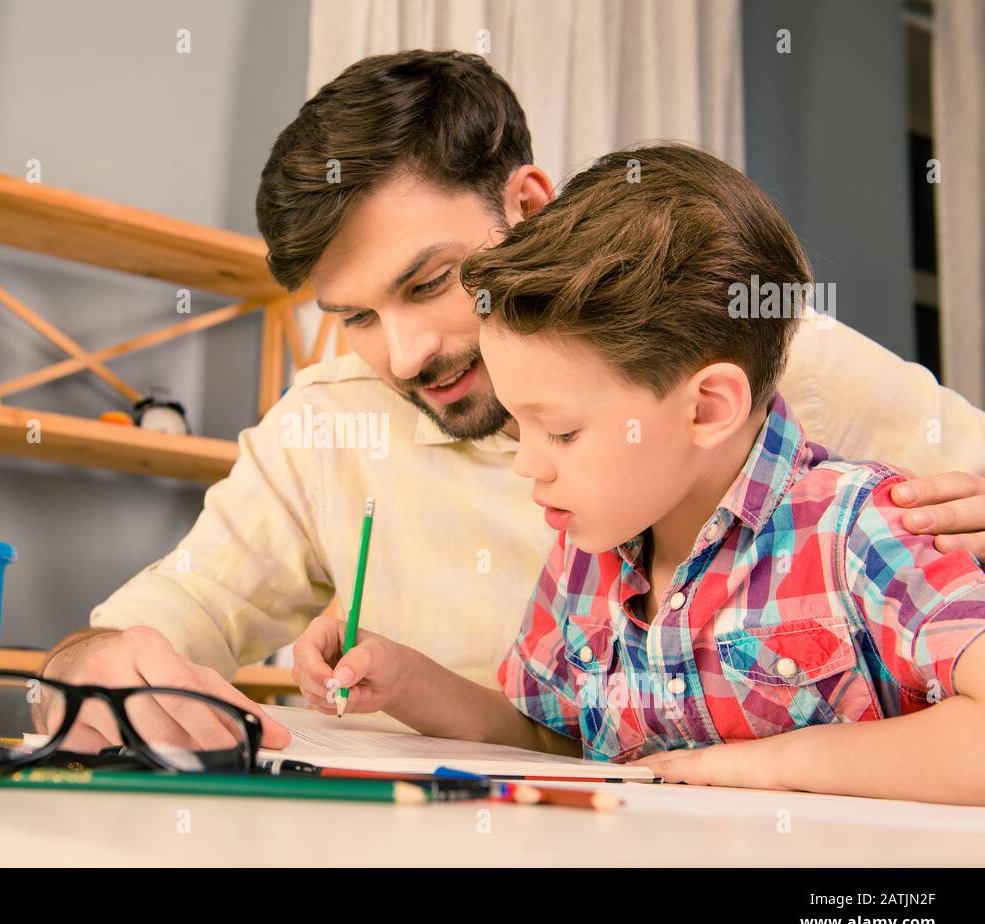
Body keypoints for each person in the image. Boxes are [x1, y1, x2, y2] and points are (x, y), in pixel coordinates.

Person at [43, 50, 985, 755]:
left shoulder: (754, 348)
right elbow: (185, 599)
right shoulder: (330, 421)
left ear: (528, 208)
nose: (406, 355)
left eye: (430, 283)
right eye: (355, 317)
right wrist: (90, 659)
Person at [291, 144, 985, 804]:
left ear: (708, 408)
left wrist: (770, 765)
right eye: (520, 422)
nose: (528, 461)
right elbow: (550, 740)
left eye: (561, 430)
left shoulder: (861, 529)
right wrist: (407, 680)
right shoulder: (586, 555)